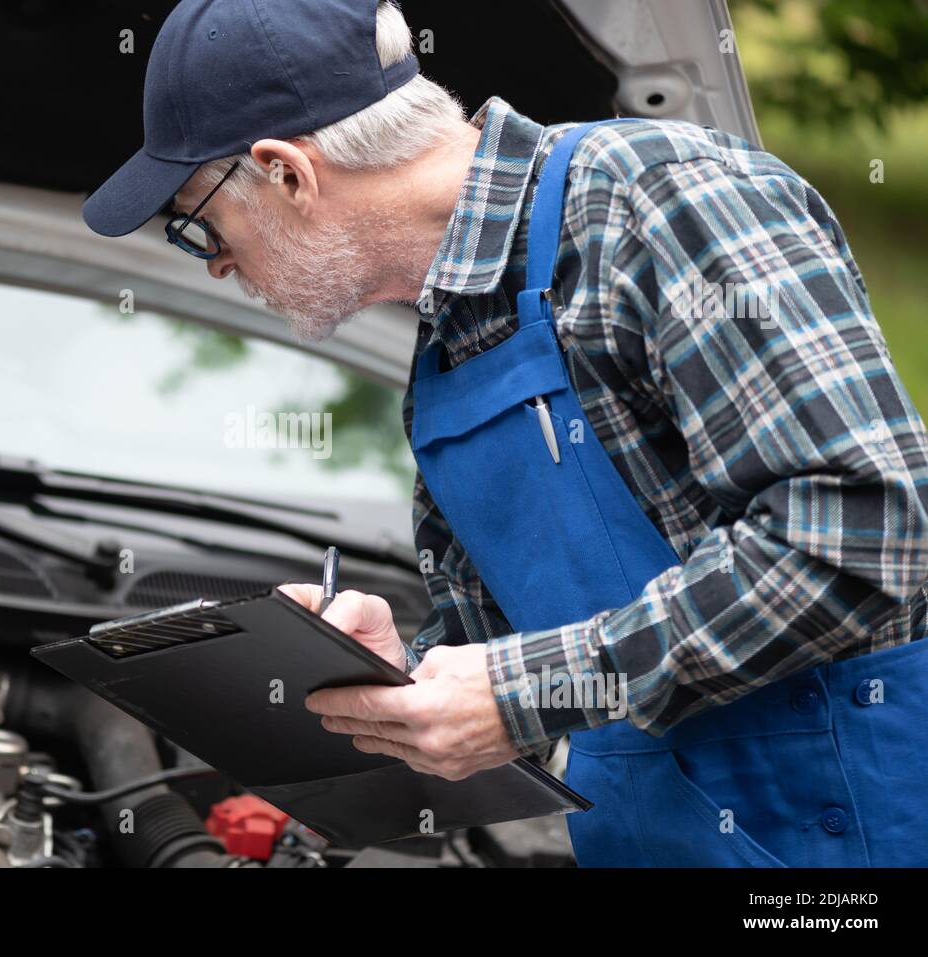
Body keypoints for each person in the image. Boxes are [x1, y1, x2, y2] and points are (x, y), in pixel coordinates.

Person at [81, 0, 928, 866]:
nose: (216, 261)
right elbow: (513, 675)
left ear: (287, 172)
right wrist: (395, 681)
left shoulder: (661, 199)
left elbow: (862, 534)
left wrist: (526, 691)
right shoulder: (447, 344)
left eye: (197, 225)